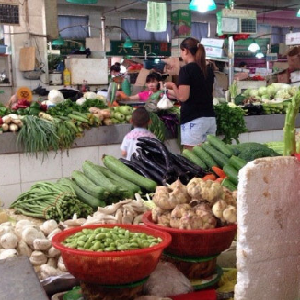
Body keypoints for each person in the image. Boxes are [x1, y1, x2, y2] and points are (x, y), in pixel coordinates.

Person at [165, 37, 216, 150]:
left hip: (193, 120)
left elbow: (183, 97)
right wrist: (168, 93)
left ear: (186, 51)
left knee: (192, 158)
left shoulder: (186, 70)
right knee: (208, 157)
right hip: (209, 119)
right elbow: (205, 94)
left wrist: (172, 86)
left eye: (181, 51)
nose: (181, 54)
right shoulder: (208, 69)